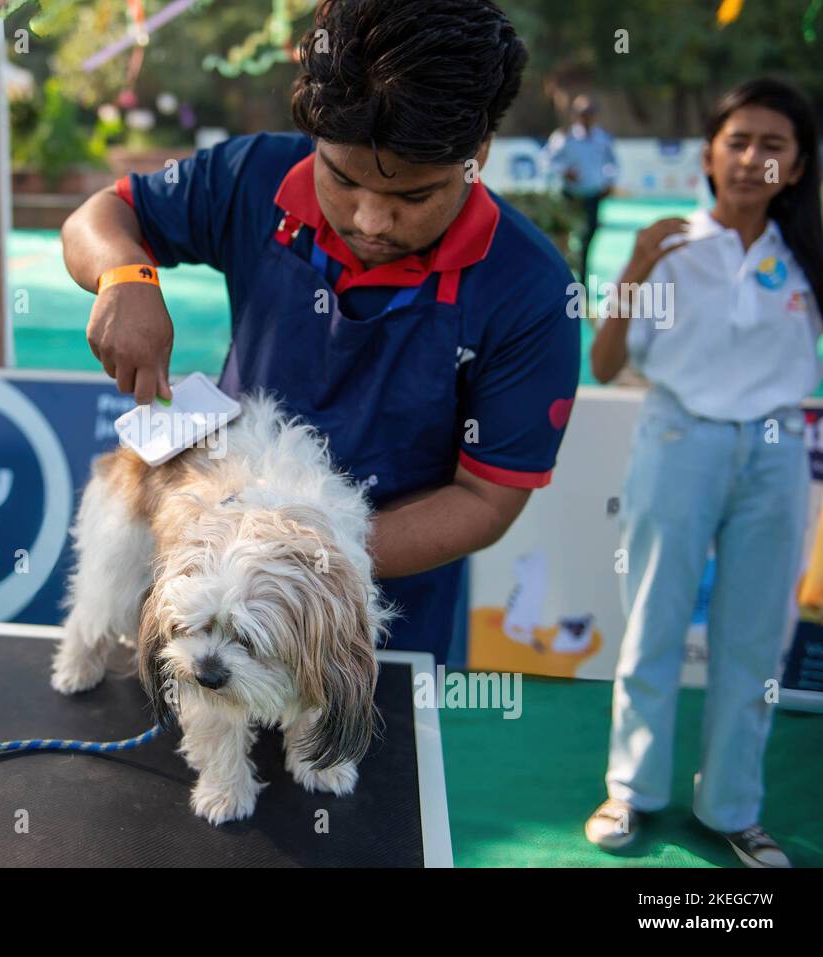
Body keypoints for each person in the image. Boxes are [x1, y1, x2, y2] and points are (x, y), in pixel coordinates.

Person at [60, 0, 581, 660]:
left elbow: (486, 500)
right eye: (341, 178)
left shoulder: (530, 290)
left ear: (477, 152)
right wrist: (124, 277)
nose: (370, 220)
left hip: (379, 626)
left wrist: (311, 557)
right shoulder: (253, 176)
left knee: (358, 756)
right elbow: (99, 217)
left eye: (412, 197)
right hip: (216, 597)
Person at [587, 78, 823, 868]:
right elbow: (607, 361)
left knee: (755, 641)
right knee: (654, 619)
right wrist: (634, 268)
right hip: (679, 438)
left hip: (777, 454)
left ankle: (733, 807)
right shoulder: (669, 244)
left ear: (796, 167)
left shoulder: (807, 257)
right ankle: (631, 790)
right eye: (739, 140)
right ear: (709, 154)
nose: (755, 157)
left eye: (775, 145)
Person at [543, 94, 618, 281]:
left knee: (588, 240)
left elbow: (613, 163)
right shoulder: (564, 137)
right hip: (569, 196)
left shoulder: (603, 138)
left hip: (593, 196)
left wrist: (609, 182)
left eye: (590, 112)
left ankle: (582, 284)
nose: (586, 117)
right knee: (563, 240)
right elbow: (546, 161)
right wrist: (564, 171)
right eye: (582, 113)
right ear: (575, 115)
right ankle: (561, 279)